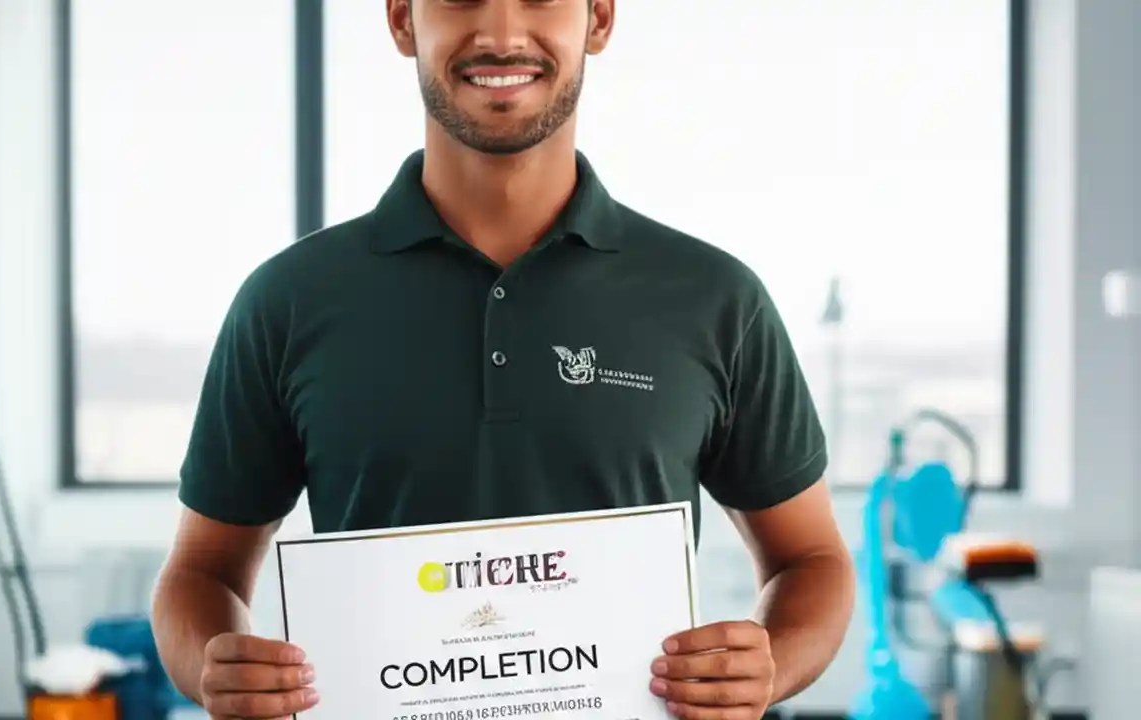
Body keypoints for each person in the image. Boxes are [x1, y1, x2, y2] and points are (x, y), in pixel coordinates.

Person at [151, 1, 855, 718]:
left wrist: (770, 664)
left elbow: (811, 561)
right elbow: (201, 574)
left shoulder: (713, 298)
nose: (500, 33)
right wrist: (215, 665)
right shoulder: (288, 301)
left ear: (600, 20)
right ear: (401, 20)